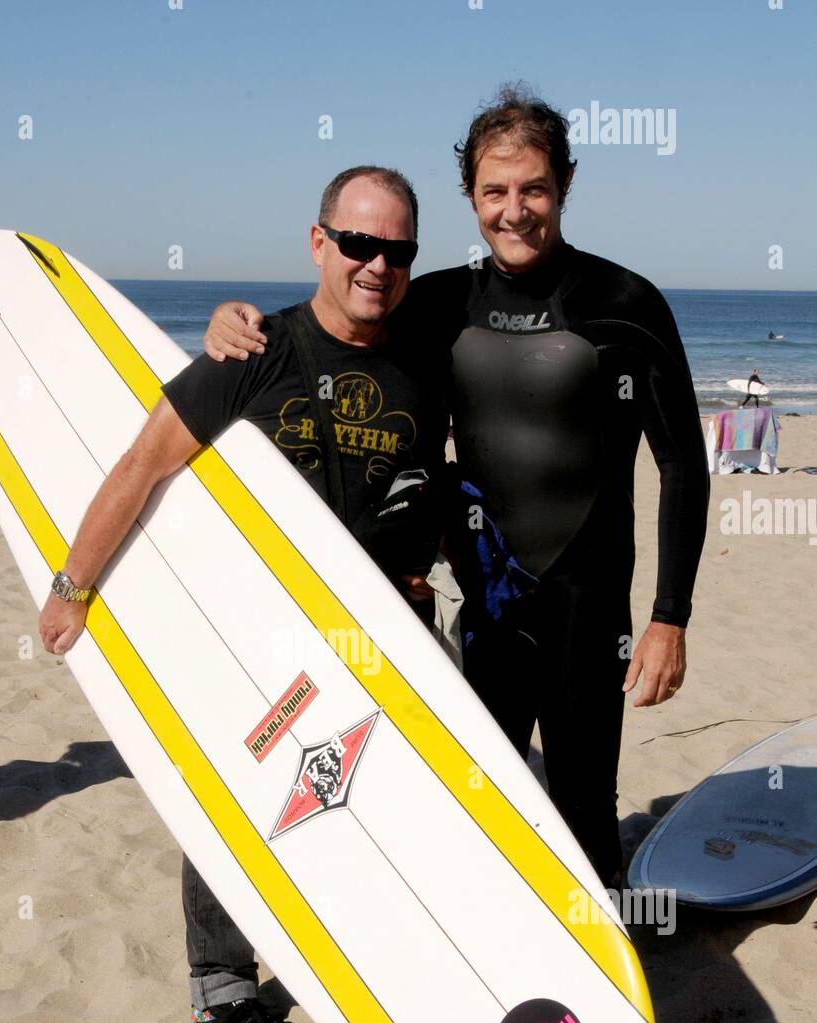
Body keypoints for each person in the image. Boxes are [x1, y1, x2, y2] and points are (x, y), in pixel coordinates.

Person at [204, 84, 709, 889]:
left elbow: (683, 462)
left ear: (565, 186)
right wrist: (240, 323)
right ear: (471, 197)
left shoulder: (625, 304)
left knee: (584, 800)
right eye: (494, 192)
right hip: (484, 609)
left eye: (533, 188)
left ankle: (604, 977)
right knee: (484, 801)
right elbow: (336, 326)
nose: (515, 211)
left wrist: (668, 620)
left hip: (588, 605)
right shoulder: (441, 300)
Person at [38, 166, 448, 1023]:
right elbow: (144, 463)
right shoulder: (250, 351)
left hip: (381, 637)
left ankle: (355, 953)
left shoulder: (424, 367)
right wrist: (74, 585)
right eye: (358, 243)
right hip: (257, 633)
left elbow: (436, 494)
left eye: (398, 250)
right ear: (319, 242)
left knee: (367, 804)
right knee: (234, 798)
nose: (377, 264)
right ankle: (223, 987)